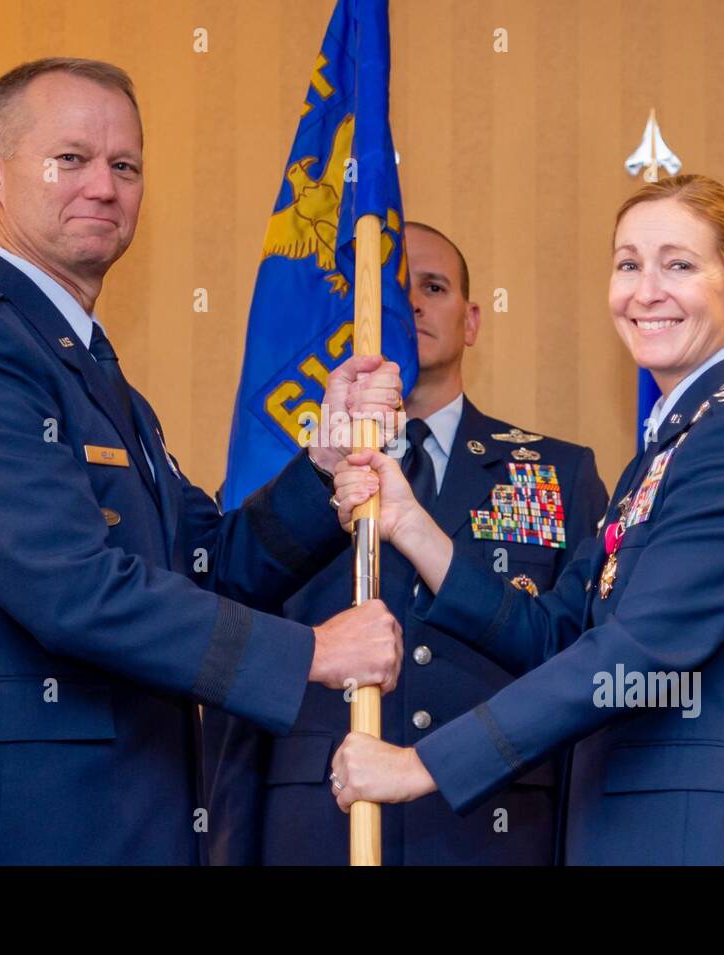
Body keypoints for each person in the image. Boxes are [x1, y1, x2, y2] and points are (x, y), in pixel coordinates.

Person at [0, 57, 404, 865]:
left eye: (125, 166)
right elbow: (72, 589)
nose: (104, 187)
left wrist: (320, 469)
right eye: (70, 159)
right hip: (8, 834)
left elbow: (202, 565)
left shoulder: (98, 377)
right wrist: (316, 654)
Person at [326, 175, 724, 865]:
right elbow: (559, 631)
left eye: (678, 264)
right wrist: (411, 525)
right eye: (628, 264)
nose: (646, 289)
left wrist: (421, 766)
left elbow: (635, 652)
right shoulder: (669, 448)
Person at [202, 222, 607, 865]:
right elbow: (232, 653)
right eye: (392, 288)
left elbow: (580, 663)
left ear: (471, 320)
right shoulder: (288, 478)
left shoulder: (556, 472)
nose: (411, 303)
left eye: (434, 287)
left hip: (493, 830)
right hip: (314, 827)